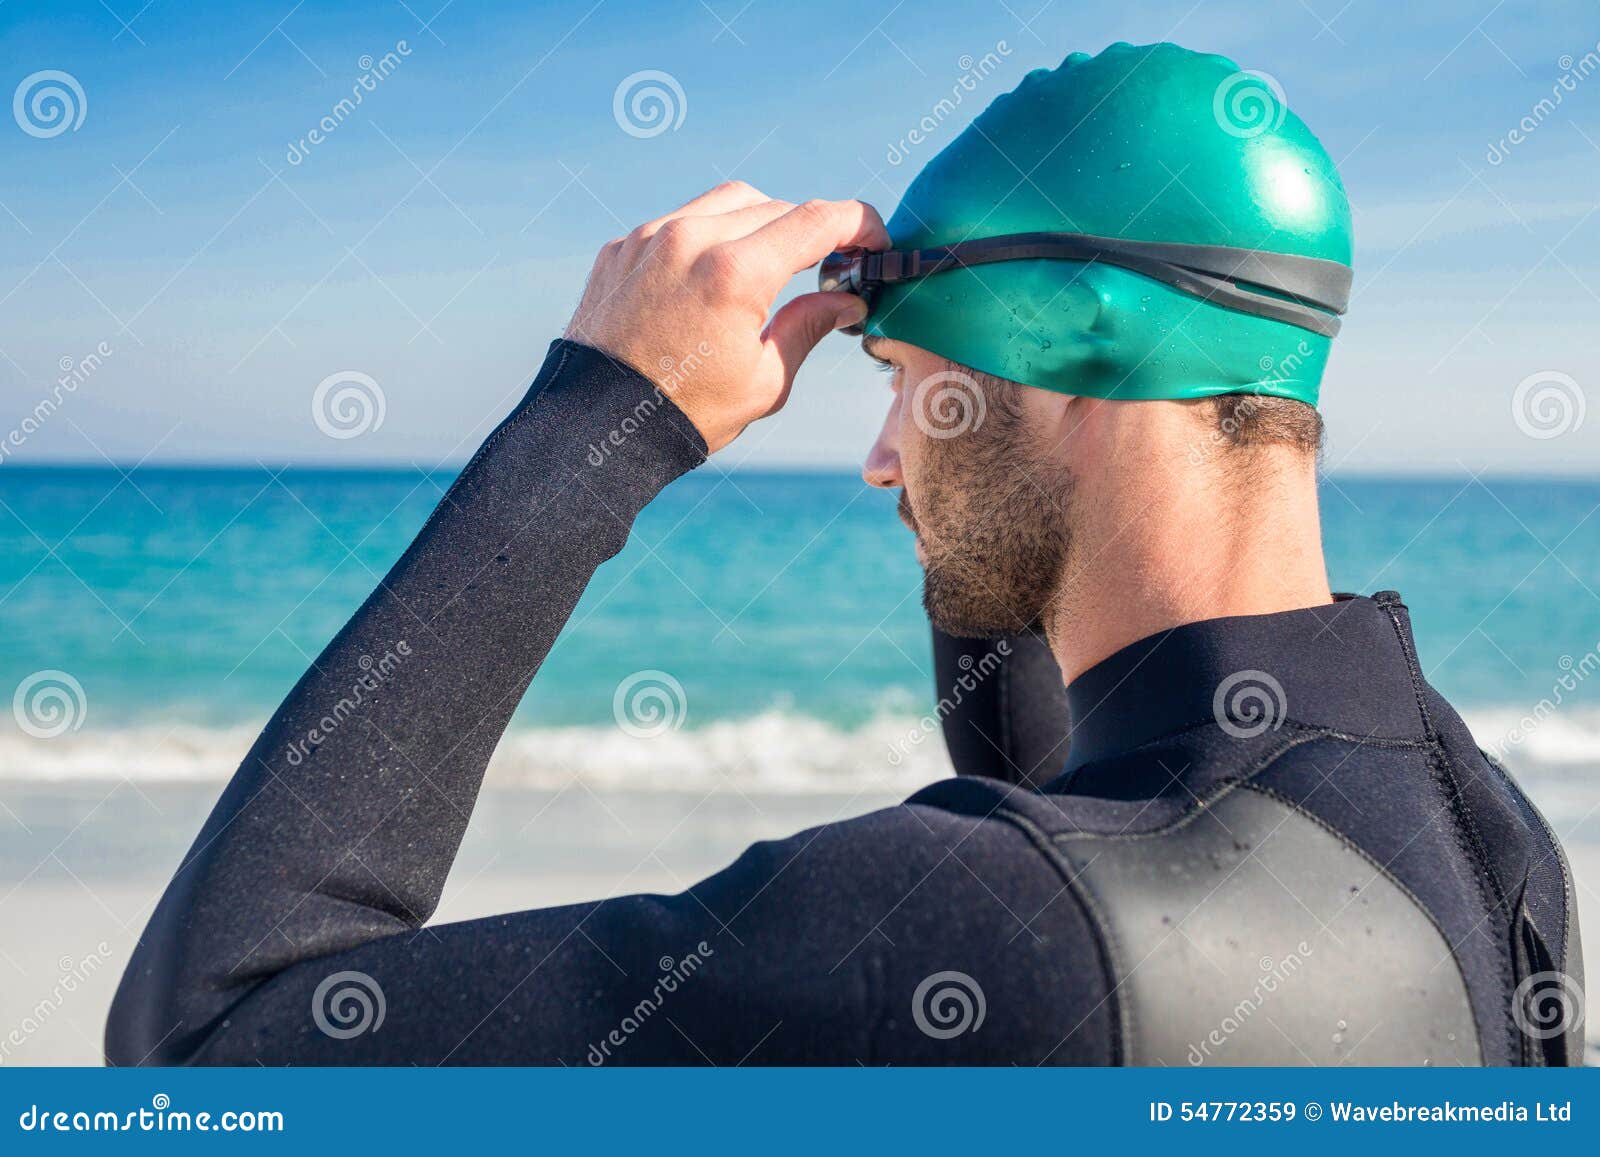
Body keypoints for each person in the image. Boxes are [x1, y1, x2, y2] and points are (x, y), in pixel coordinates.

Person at [106, 42, 1583, 1067]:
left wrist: (603, 415)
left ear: (1077, 334)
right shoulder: (1476, 834)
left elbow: (208, 1051)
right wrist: (963, 414)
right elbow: (1084, 777)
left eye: (900, 387)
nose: (883, 456)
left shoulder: (999, 930)